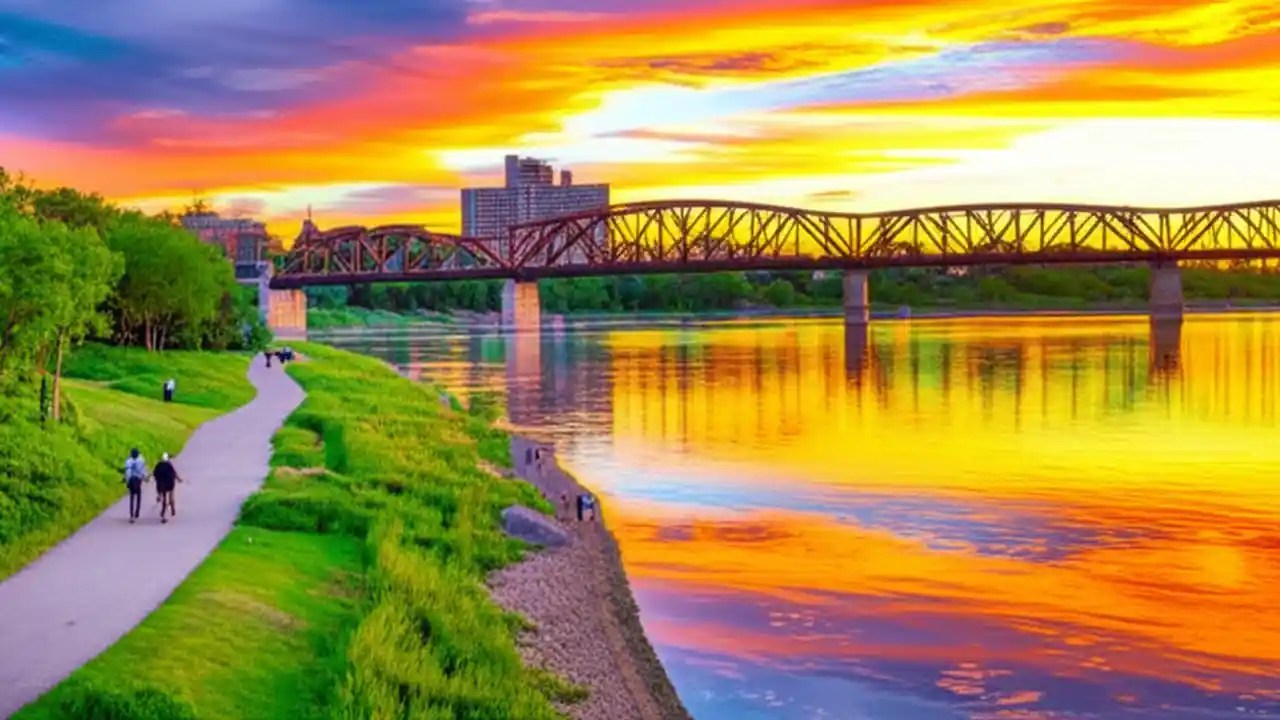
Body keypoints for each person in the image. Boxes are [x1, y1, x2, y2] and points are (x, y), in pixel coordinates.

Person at [153, 452, 181, 524]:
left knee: (163, 497)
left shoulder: (158, 465)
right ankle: (171, 510)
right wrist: (179, 479)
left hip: (161, 485)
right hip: (169, 484)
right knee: (170, 496)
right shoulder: (169, 465)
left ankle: (159, 495)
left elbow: (155, 474)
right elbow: (174, 474)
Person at [122, 448, 148, 524]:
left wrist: (126, 479)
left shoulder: (128, 461)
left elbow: (127, 472)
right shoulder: (141, 460)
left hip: (131, 480)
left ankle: (131, 515)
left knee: (132, 497)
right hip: (138, 480)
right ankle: (137, 512)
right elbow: (143, 470)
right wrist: (145, 477)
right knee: (139, 496)